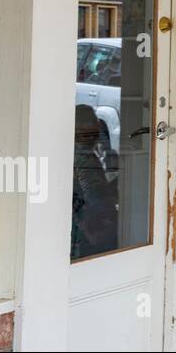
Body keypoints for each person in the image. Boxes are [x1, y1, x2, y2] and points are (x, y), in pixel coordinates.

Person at [71, 104, 118, 259]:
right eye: (94, 120)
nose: (98, 124)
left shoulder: (76, 153)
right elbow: (96, 199)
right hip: (92, 235)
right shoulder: (84, 159)